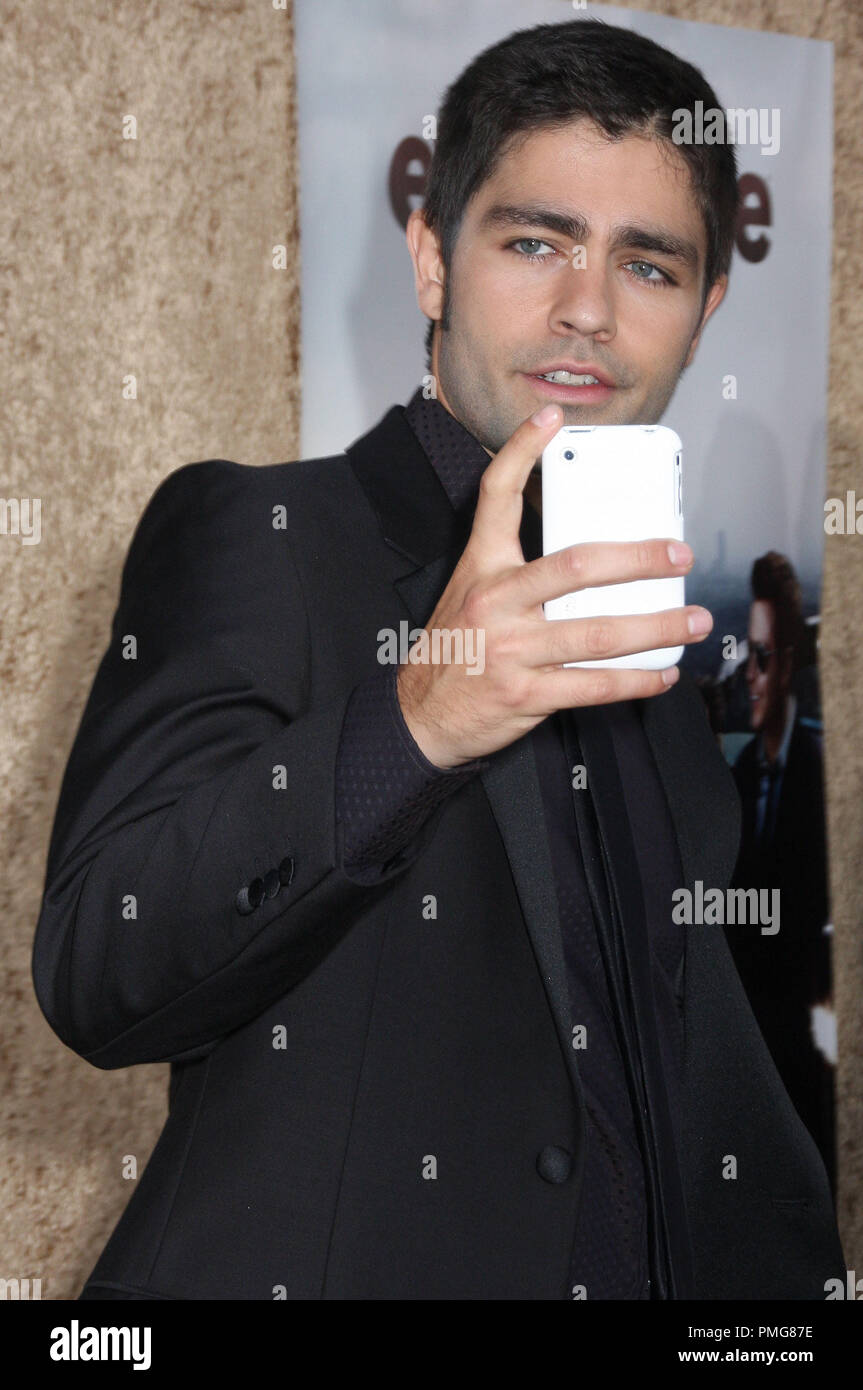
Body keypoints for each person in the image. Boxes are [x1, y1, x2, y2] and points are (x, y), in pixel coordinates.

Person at [33, 18, 843, 1300]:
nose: (585, 307)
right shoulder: (266, 534)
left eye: (648, 265)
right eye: (534, 242)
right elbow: (99, 969)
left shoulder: (667, 670)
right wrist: (415, 718)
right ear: (429, 259)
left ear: (704, 310)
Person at [726, 552, 836, 1191]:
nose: (752, 678)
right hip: (754, 1058)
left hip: (812, 1058)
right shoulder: (735, 783)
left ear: (790, 662)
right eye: (749, 658)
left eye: (765, 659)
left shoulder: (826, 775)